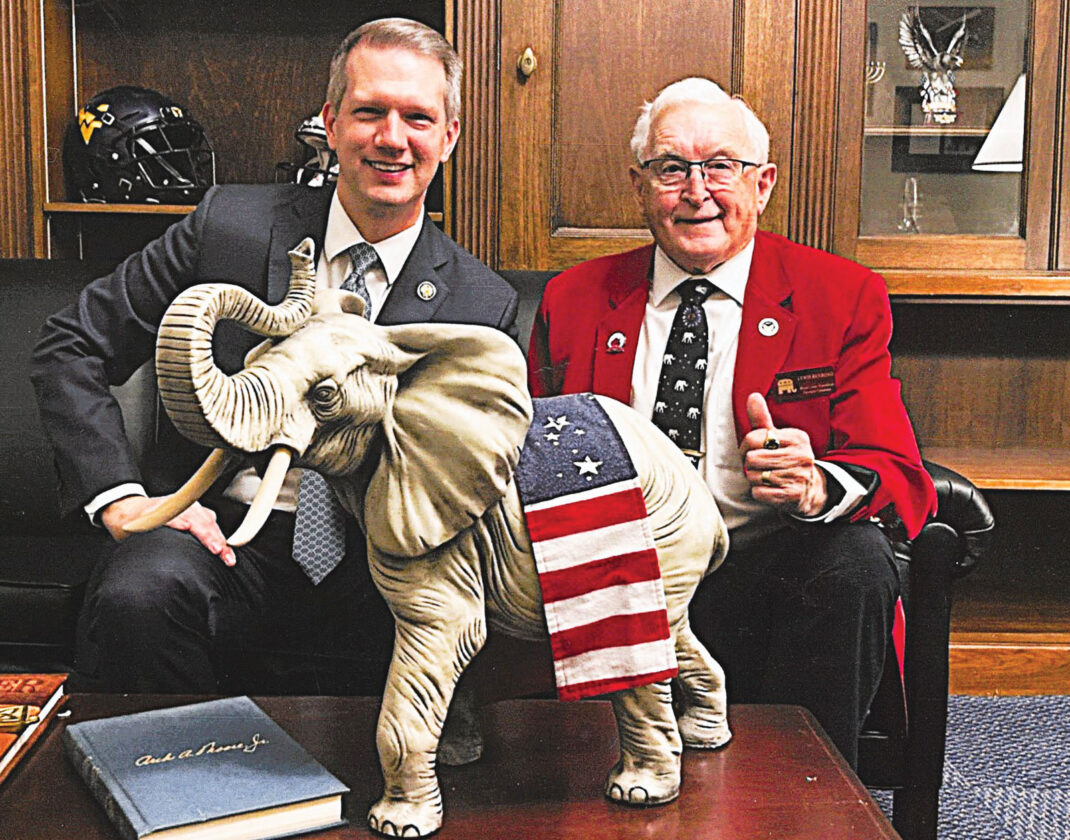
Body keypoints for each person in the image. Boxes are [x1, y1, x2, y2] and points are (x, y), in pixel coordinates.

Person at [31, 18, 518, 693]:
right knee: (138, 593)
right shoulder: (228, 225)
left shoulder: (481, 304)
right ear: (331, 123)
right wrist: (123, 500)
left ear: (449, 136)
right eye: (369, 112)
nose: (392, 138)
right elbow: (71, 342)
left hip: (381, 560)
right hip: (219, 532)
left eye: (418, 117)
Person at [527, 77, 937, 767]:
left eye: (721, 166)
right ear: (639, 186)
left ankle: (800, 795)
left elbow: (897, 471)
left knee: (856, 563)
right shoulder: (574, 299)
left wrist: (815, 485)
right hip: (615, 580)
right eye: (671, 169)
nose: (697, 192)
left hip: (765, 575)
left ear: (762, 184)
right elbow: (525, 452)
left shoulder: (839, 296)